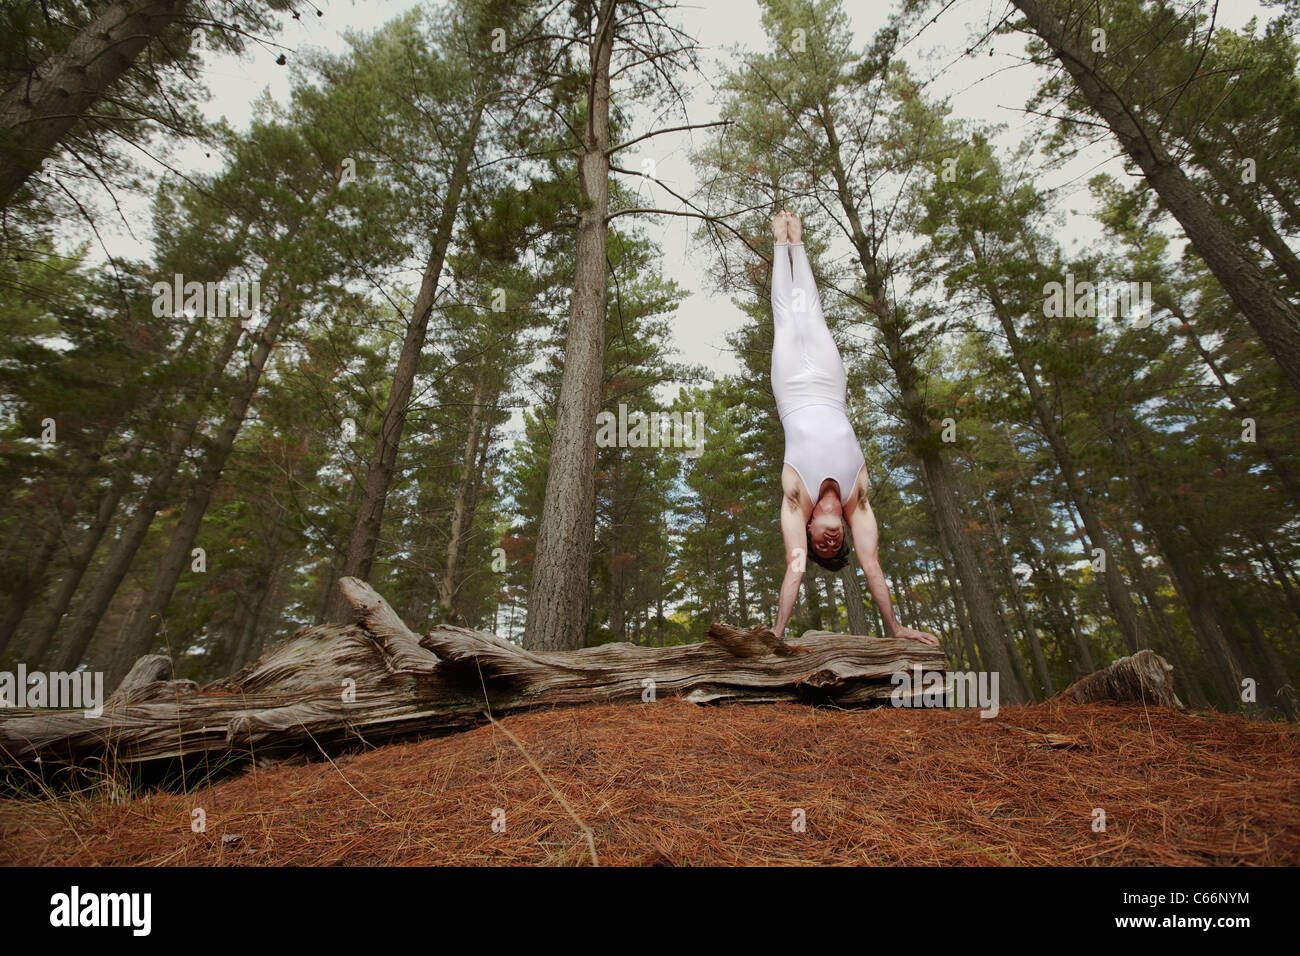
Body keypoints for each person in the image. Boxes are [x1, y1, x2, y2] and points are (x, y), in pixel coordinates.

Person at [769, 210, 938, 646]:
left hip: (790, 390)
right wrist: (897, 627)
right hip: (829, 387)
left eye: (820, 546)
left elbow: (795, 565)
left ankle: (780, 244)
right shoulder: (858, 501)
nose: (827, 542)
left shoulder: (794, 500)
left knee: (789, 319)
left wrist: (777, 632)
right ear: (842, 532)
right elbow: (873, 565)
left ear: (808, 531)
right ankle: (798, 243)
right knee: (815, 316)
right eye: (833, 545)